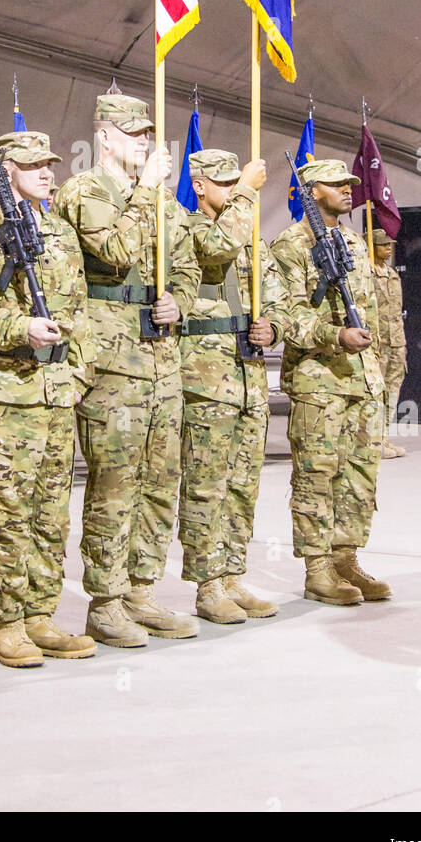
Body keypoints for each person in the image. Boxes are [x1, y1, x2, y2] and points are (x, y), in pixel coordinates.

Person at [53, 93, 201, 647]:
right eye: (134, 132)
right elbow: (113, 251)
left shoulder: (159, 199)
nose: (145, 141)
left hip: (161, 357)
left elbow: (184, 262)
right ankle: (106, 601)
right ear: (106, 136)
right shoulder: (85, 190)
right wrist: (146, 193)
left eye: (148, 133)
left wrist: (179, 302)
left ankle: (142, 590)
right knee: (115, 481)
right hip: (112, 360)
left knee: (161, 480)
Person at [0, 131, 96, 669]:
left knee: (50, 516)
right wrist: (21, 327)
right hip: (6, 401)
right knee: (7, 515)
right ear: (7, 169)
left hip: (56, 397)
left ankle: (40, 613)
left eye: (50, 165)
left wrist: (77, 375)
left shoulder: (59, 233)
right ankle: (7, 624)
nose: (46, 173)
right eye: (33, 165)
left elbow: (80, 310)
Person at [271, 160, 390, 606]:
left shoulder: (356, 242)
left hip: (362, 380)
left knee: (360, 475)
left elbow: (372, 313)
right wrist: (334, 335)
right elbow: (288, 313)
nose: (346, 189)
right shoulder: (291, 245)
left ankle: (346, 557)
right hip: (319, 381)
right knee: (317, 477)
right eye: (336, 183)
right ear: (309, 190)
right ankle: (317, 568)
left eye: (348, 183)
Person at [179, 149, 287, 624]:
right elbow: (215, 249)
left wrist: (274, 328)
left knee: (243, 484)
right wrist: (247, 189)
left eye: (235, 183)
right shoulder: (186, 229)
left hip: (248, 377)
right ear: (199, 185)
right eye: (222, 183)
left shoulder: (252, 239)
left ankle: (232, 573)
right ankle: (206, 585)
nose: (233, 191)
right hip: (206, 379)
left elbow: (279, 296)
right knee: (206, 484)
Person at [371, 228, 408, 459]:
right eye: (382, 244)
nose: (388, 248)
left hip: (396, 342)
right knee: (377, 393)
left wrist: (402, 343)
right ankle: (373, 441)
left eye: (389, 244)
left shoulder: (393, 274)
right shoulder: (366, 274)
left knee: (392, 392)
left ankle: (384, 436)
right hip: (378, 342)